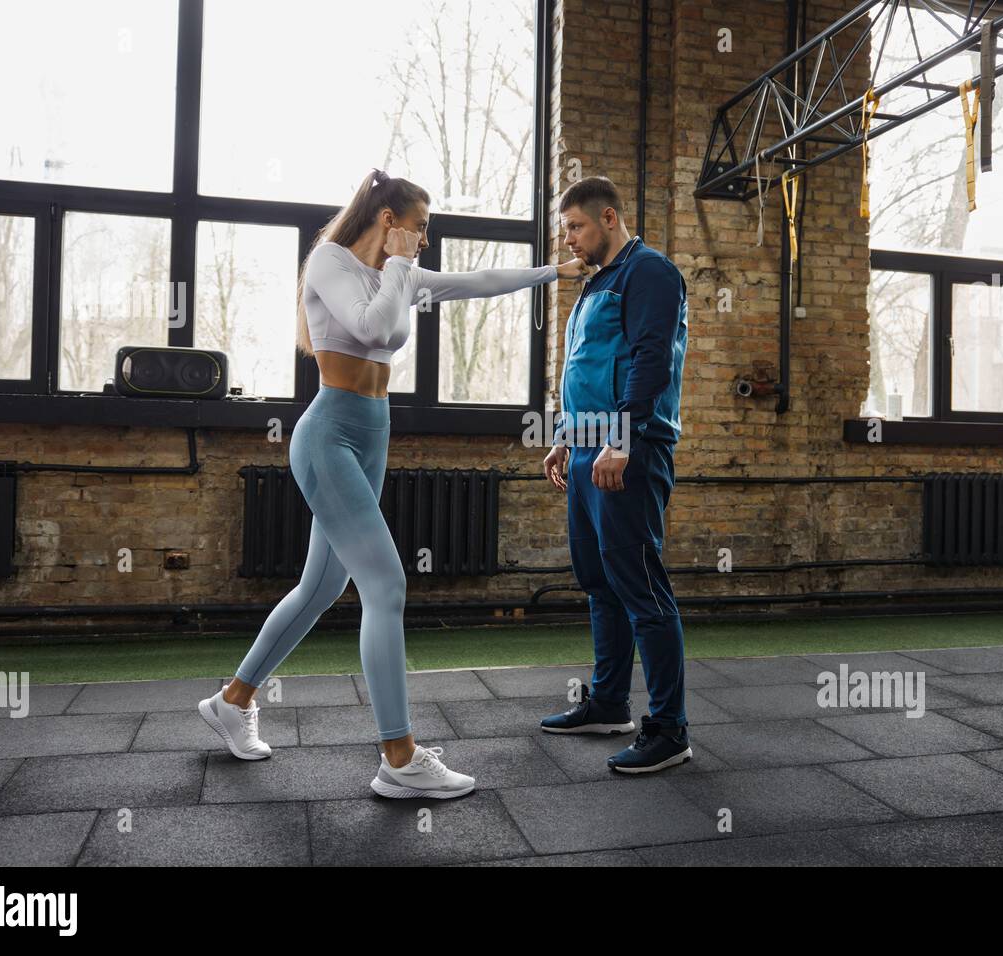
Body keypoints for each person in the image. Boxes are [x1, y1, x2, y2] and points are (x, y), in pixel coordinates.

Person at [198, 168, 588, 799]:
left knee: (320, 586)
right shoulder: (330, 261)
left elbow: (474, 283)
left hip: (371, 434)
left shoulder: (395, 273)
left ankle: (232, 699)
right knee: (386, 583)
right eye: (420, 226)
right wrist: (403, 268)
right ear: (388, 220)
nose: (425, 239)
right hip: (328, 436)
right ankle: (399, 758)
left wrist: (551, 274)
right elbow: (375, 329)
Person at [539, 176, 691, 773]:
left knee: (641, 586)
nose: (569, 238)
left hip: (629, 449)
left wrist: (618, 440)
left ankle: (670, 729)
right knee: (598, 580)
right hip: (585, 450)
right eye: (565, 228)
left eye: (576, 226)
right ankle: (606, 702)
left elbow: (651, 361)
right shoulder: (595, 283)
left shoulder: (650, 272)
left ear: (608, 217)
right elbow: (585, 366)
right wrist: (563, 437)